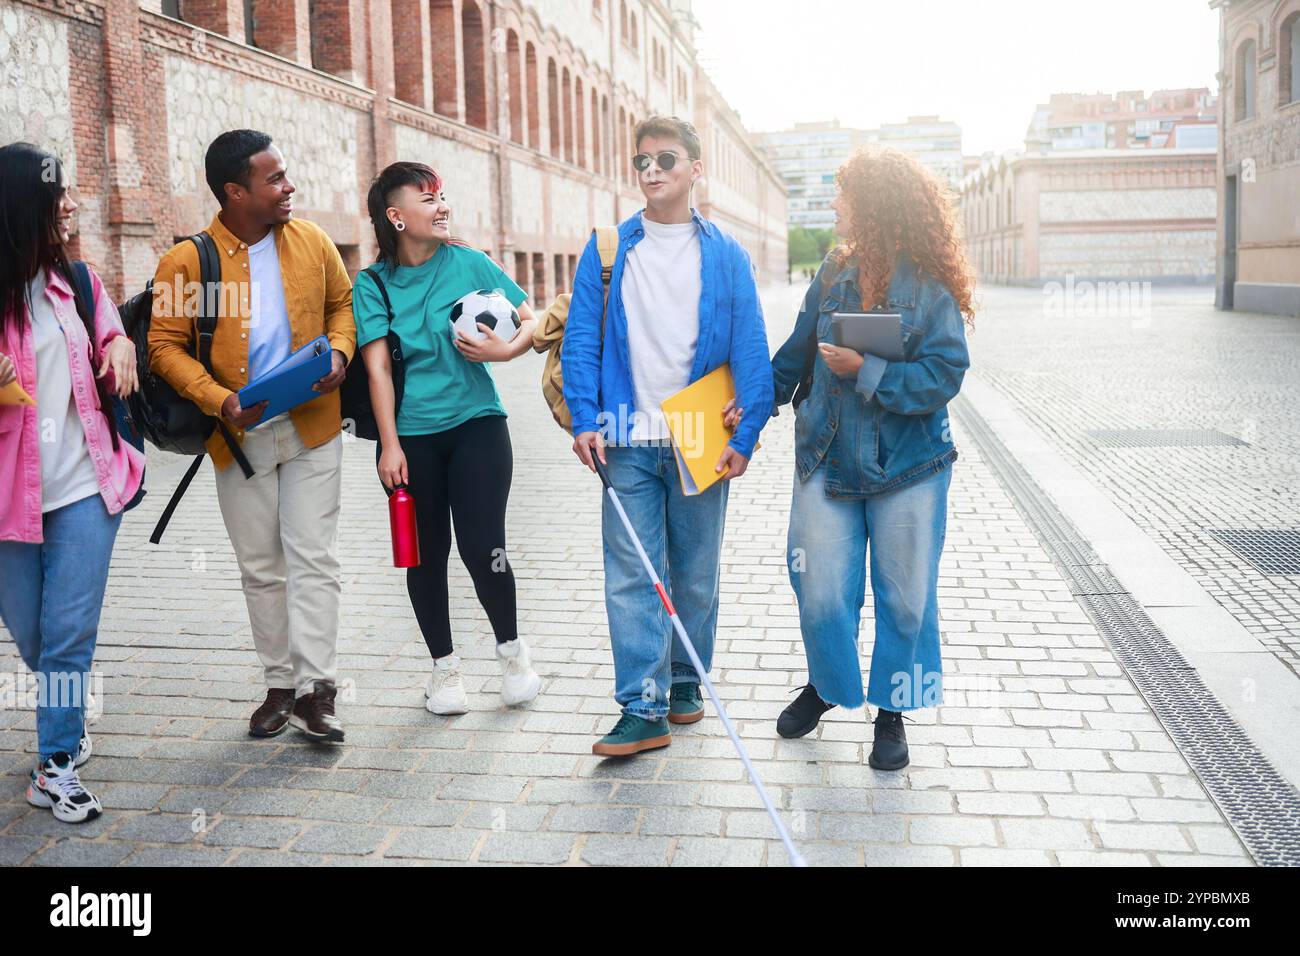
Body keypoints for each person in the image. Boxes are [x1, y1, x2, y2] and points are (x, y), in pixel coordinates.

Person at [563, 116, 774, 757]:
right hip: (626, 437)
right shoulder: (607, 249)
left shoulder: (727, 254)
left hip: (700, 432)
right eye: (643, 160)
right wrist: (584, 417)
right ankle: (641, 706)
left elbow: (751, 347)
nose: (652, 170)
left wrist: (750, 430)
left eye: (667, 159)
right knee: (632, 573)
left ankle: (686, 678)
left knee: (696, 572)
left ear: (694, 170)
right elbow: (580, 341)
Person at [768, 147, 974, 770]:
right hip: (828, 456)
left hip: (910, 467)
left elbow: (946, 371)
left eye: (844, 195)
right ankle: (829, 687)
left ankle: (893, 710)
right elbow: (796, 353)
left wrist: (869, 371)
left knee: (906, 597)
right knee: (822, 590)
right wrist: (751, 409)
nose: (834, 204)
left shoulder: (929, 285)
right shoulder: (833, 272)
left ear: (876, 207)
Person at [149, 129, 356, 742]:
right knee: (262, 566)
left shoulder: (313, 241)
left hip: (313, 426)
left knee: (314, 557)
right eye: (274, 179)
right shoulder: (188, 261)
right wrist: (219, 399)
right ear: (235, 191)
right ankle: (280, 685)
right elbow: (163, 346)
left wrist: (340, 351)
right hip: (236, 437)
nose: (288, 187)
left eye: (285, 176)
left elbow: (343, 305)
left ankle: (319, 690)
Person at [355, 161, 542, 715]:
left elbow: (531, 320)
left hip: (479, 426)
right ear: (396, 216)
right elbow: (378, 372)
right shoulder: (372, 285)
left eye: (443, 197)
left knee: (485, 549)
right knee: (424, 556)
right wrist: (390, 445)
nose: (442, 207)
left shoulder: (469, 262)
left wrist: (503, 351)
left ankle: (514, 658)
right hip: (413, 441)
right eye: (428, 199)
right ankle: (446, 672)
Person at [0, 142, 145, 822]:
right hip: (8, 503)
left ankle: (53, 764)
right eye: (56, 192)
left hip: (87, 484)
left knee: (65, 633)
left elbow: (112, 333)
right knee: (33, 638)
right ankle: (67, 711)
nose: (69, 204)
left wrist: (119, 345)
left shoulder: (78, 283)